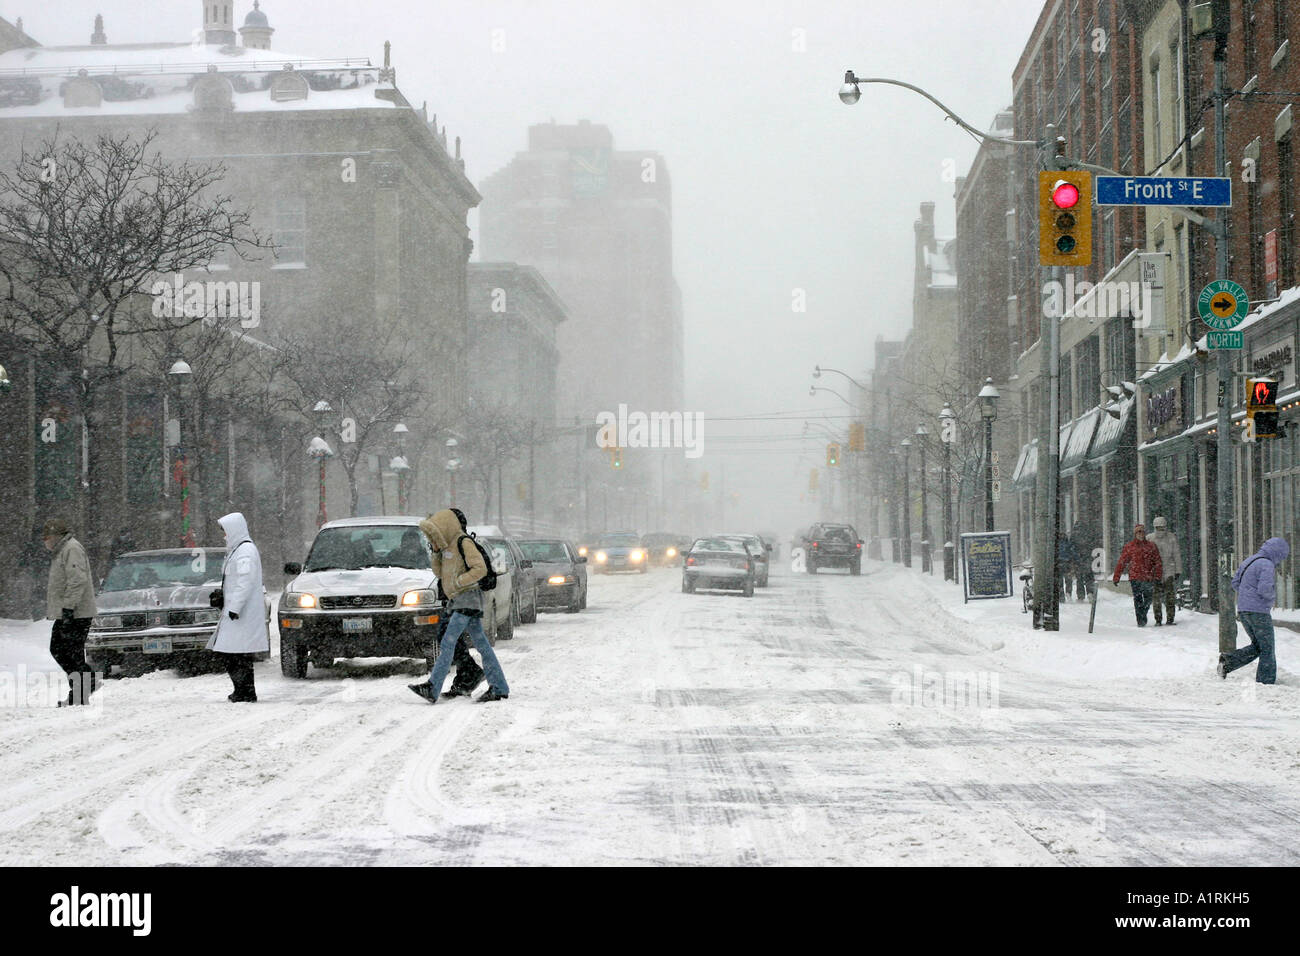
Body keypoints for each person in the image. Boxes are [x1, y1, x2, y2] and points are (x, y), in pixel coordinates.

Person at [408, 508, 509, 704]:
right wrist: (436, 552)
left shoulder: (464, 542)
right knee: (481, 644)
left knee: (448, 642)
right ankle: (499, 686)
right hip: (459, 601)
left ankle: (433, 687)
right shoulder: (448, 547)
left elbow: (479, 569)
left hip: (468, 599)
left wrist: (459, 582)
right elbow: (439, 574)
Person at [205, 512, 268, 702]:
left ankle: (245, 691)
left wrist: (235, 607)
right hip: (235, 612)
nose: (224, 536)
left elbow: (245, 582)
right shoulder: (238, 550)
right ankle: (243, 690)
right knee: (235, 654)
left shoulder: (245, 552)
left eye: (225, 531)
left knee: (235, 654)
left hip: (240, 614)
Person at [1219, 537, 1290, 684]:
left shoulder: (1249, 561)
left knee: (1258, 646)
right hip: (1259, 612)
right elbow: (1265, 589)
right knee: (1267, 648)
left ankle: (1227, 662)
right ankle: (1266, 680)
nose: (1280, 560)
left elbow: (1235, 582)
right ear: (1277, 553)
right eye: (1282, 556)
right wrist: (1270, 599)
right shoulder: (1267, 564)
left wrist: (1247, 596)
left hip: (1244, 610)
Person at [43, 518, 97, 706]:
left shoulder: (71, 549)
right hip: (69, 612)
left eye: (47, 537)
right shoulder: (62, 551)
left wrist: (68, 607)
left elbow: (77, 580)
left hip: (76, 612)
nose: (45, 542)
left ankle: (82, 689)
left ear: (57, 536)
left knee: (66, 651)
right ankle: (85, 683)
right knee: (63, 650)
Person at [1112, 523, 1163, 627]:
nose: (1141, 534)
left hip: (1148, 577)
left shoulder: (1151, 546)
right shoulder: (1129, 547)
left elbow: (1157, 562)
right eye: (1138, 532)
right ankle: (1140, 620)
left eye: (1142, 532)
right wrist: (1116, 576)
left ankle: (1143, 613)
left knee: (1148, 598)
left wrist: (1158, 575)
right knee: (1138, 599)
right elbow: (1122, 562)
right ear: (1135, 534)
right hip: (1135, 577)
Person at [1147, 516, 1183, 626]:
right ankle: (1158, 619)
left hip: (1169, 570)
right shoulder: (1149, 539)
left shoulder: (1171, 538)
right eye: (1158, 528)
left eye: (1162, 528)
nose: (1160, 531)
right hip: (1155, 571)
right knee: (1156, 596)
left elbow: (1176, 555)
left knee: (1170, 596)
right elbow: (1146, 557)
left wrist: (1178, 570)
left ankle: (1170, 618)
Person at [1071, 519, 1097, 600]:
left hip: (1077, 559)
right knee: (1089, 577)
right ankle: (1090, 592)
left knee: (1079, 578)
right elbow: (1093, 544)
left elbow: (1071, 547)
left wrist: (1075, 557)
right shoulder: (1088, 533)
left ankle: (1081, 596)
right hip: (1087, 558)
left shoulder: (1074, 534)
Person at [1056, 531, 1080, 601]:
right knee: (1068, 580)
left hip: (1058, 564)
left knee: (1059, 581)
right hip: (1067, 564)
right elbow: (1073, 553)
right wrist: (1077, 560)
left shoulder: (1056, 545)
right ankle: (1068, 593)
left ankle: (1061, 596)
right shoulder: (1068, 544)